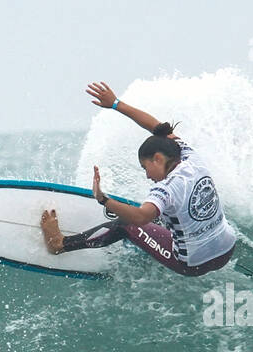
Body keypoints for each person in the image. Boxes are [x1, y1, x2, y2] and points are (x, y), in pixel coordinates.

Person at [40, 81, 237, 277]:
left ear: (158, 158)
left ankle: (60, 244)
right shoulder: (190, 156)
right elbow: (158, 128)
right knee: (163, 214)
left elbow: (141, 217)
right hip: (227, 249)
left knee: (127, 224)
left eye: (145, 167)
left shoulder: (166, 189)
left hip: (193, 264)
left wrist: (103, 199)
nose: (147, 175)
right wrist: (116, 103)